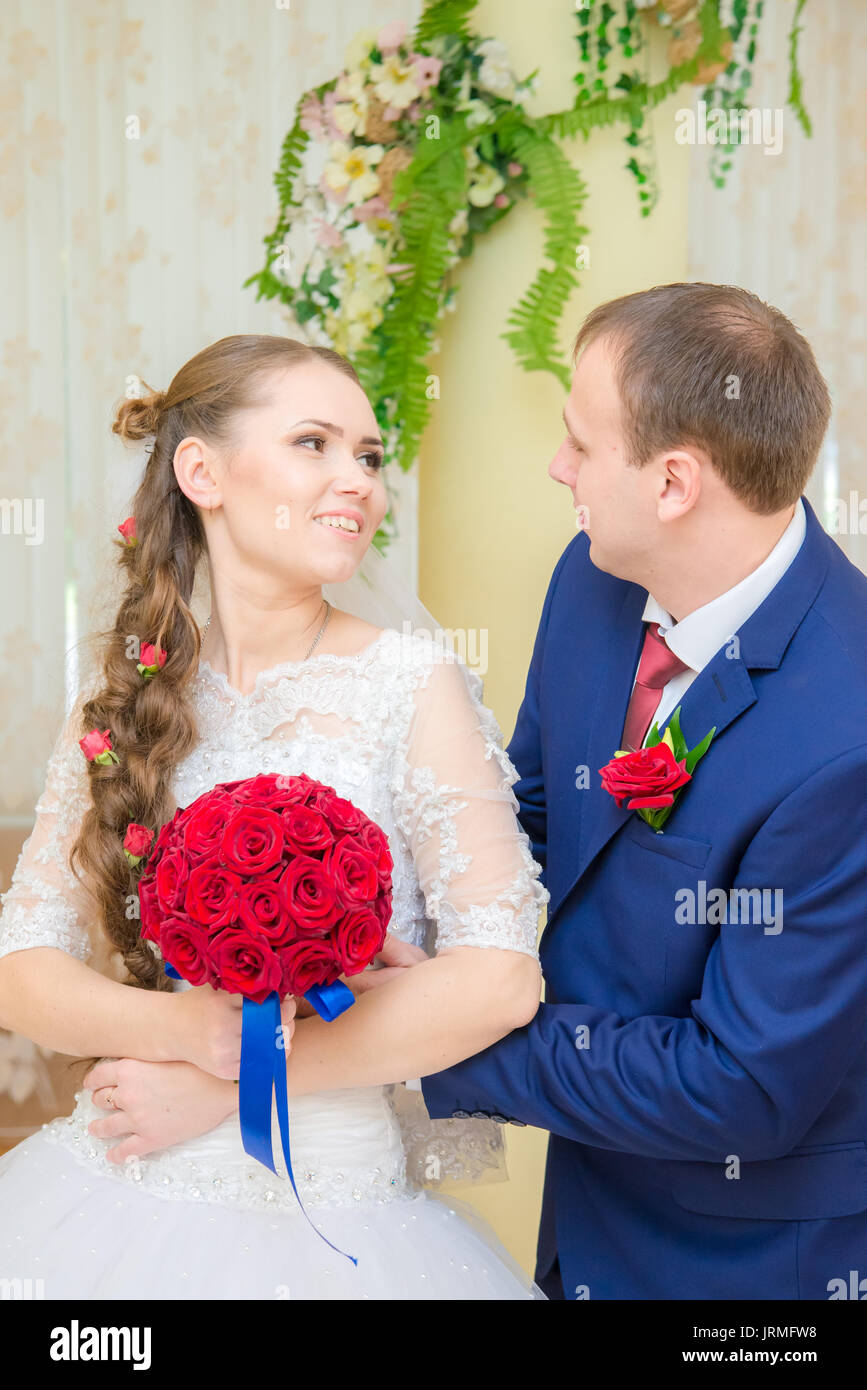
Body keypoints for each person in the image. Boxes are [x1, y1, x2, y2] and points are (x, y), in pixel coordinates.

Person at [0, 334, 547, 1300]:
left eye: (369, 457)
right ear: (201, 472)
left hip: (339, 1213)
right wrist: (182, 1034)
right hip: (113, 1190)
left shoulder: (409, 683)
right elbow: (22, 970)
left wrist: (227, 1088)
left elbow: (499, 978)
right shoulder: (120, 690)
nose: (359, 483)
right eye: (313, 444)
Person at [420, 282, 867, 1300]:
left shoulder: (848, 735)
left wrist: (429, 1031)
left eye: (581, 442)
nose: (557, 466)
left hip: (750, 1265)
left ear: (673, 482)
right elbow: (532, 820)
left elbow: (740, 1086)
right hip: (590, 1205)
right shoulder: (592, 579)